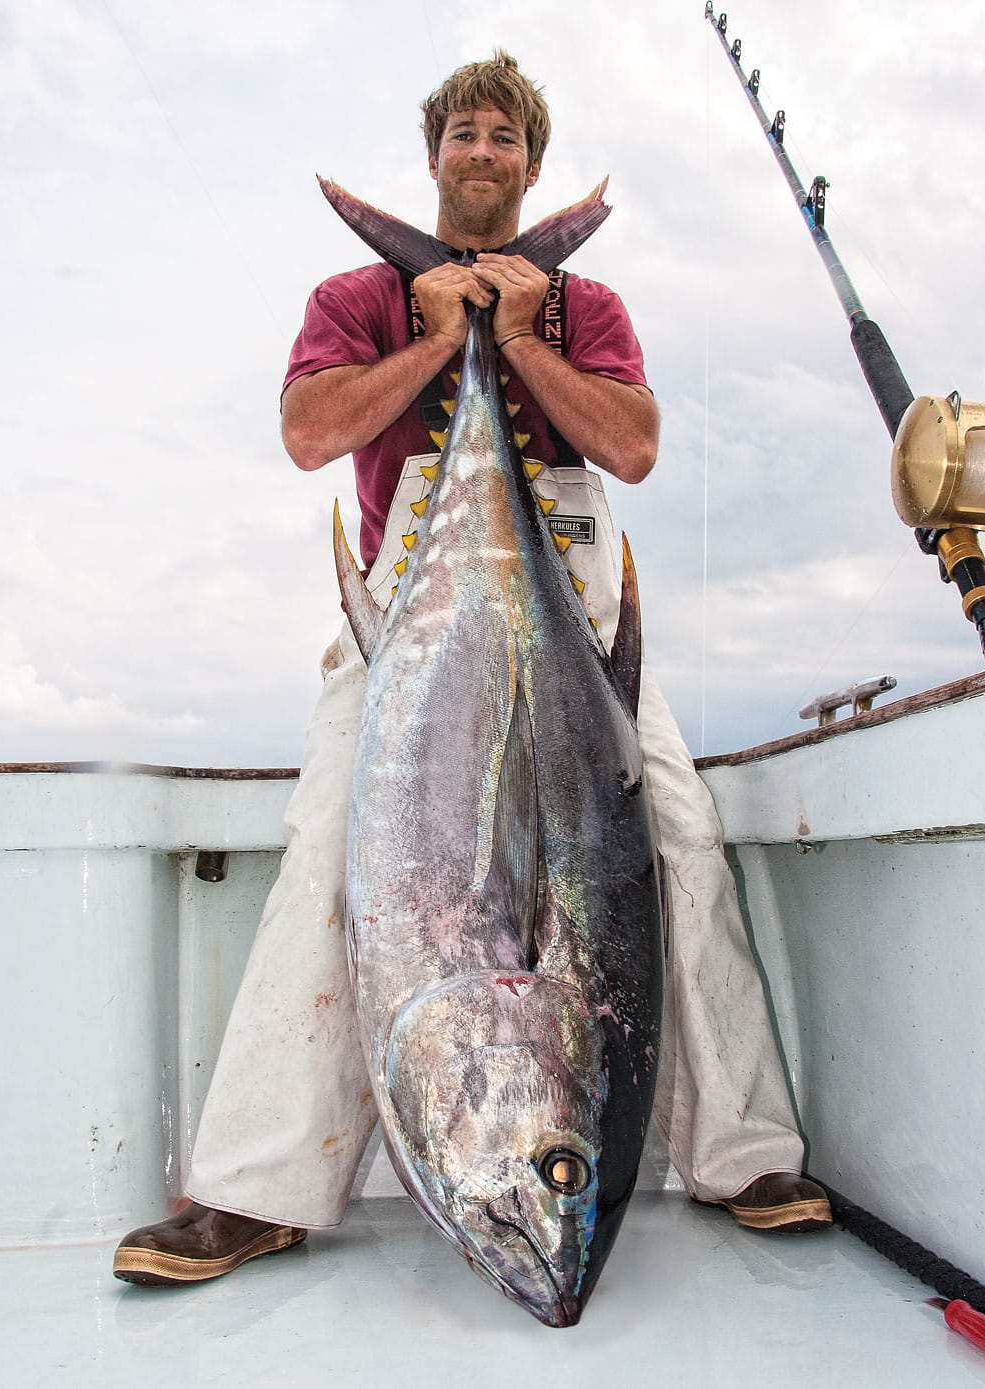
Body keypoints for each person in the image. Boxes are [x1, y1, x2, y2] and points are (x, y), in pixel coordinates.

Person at [113, 51, 830, 1289]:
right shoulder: (357, 292)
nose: (483, 154)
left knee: (683, 842)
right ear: (435, 155)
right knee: (329, 854)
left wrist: (514, 328)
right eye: (465, 135)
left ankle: (741, 1155)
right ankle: (255, 1188)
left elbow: (633, 445)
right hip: (417, 614)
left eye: (505, 139)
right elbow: (310, 431)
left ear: (531, 167)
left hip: (571, 609)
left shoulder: (582, 304)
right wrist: (441, 334)